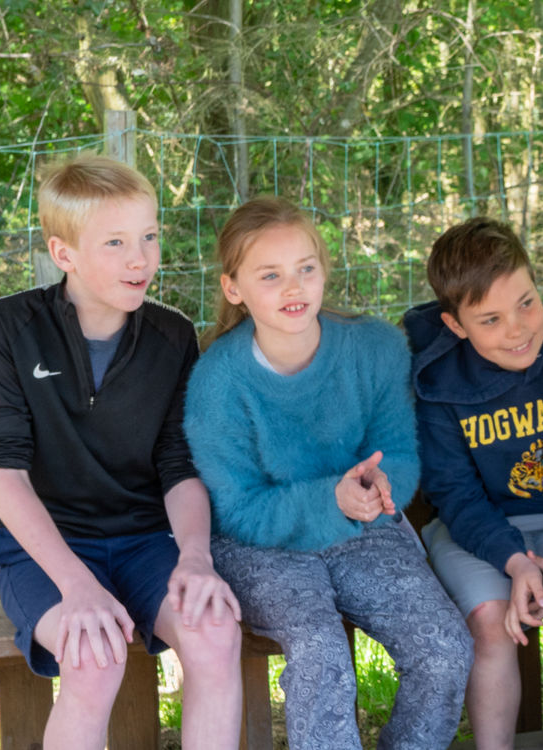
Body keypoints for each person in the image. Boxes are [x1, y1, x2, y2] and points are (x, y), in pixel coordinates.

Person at [0, 153, 242, 748]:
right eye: (115, 242)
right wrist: (76, 583)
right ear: (64, 254)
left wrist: (195, 557)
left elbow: (179, 463)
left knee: (216, 631)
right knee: (94, 658)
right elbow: (6, 473)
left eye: (149, 236)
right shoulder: (9, 328)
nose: (140, 258)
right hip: (45, 551)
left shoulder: (172, 335)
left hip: (147, 544)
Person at [184, 196, 471, 749]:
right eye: (270, 275)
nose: (293, 288)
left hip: (363, 528)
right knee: (319, 650)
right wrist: (329, 502)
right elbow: (236, 508)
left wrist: (382, 488)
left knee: (443, 647)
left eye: (305, 269)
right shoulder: (217, 379)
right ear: (233, 288)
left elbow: (398, 454)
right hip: (260, 544)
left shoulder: (376, 348)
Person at [402, 217, 543, 750]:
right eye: (491, 319)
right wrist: (515, 561)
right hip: (479, 530)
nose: (517, 330)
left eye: (526, 303)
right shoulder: (438, 381)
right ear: (455, 325)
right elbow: (454, 494)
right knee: (491, 623)